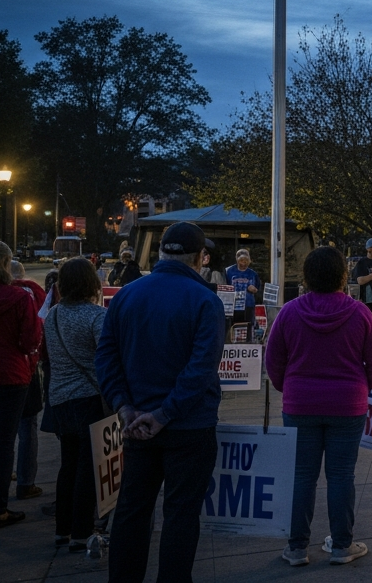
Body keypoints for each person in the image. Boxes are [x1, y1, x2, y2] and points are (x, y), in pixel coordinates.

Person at [95, 221, 224, 582]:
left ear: (161, 252)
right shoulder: (205, 300)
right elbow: (201, 369)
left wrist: (125, 407)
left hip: (137, 425)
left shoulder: (127, 294)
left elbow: (105, 358)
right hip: (188, 426)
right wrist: (164, 414)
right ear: (200, 258)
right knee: (181, 515)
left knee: (132, 512)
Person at [266, 245, 372, 567]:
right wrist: (362, 387)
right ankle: (342, 546)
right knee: (341, 476)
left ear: (307, 276)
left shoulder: (289, 312)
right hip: (347, 407)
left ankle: (296, 548)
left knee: (301, 477)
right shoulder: (359, 313)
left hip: (299, 405)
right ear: (342, 275)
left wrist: (288, 388)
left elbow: (273, 361)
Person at [44, 257, 107, 555]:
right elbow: (106, 359)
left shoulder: (53, 315)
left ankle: (62, 528)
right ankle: (81, 532)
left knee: (67, 465)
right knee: (88, 468)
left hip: (59, 399)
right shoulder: (97, 316)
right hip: (89, 399)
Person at [0, 241, 41, 529]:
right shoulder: (19, 298)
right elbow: (30, 341)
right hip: (9, 376)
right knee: (2, 445)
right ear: (7, 264)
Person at [9, 260, 45, 502]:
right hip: (21, 370)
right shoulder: (29, 293)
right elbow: (36, 332)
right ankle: (25, 482)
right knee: (26, 427)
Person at [224, 249, 262, 319]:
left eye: (246, 261)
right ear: (237, 260)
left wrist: (255, 290)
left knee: (248, 325)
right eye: (241, 260)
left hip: (248, 306)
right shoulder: (228, 271)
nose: (244, 263)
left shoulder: (253, 274)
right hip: (233, 306)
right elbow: (224, 287)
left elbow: (259, 290)